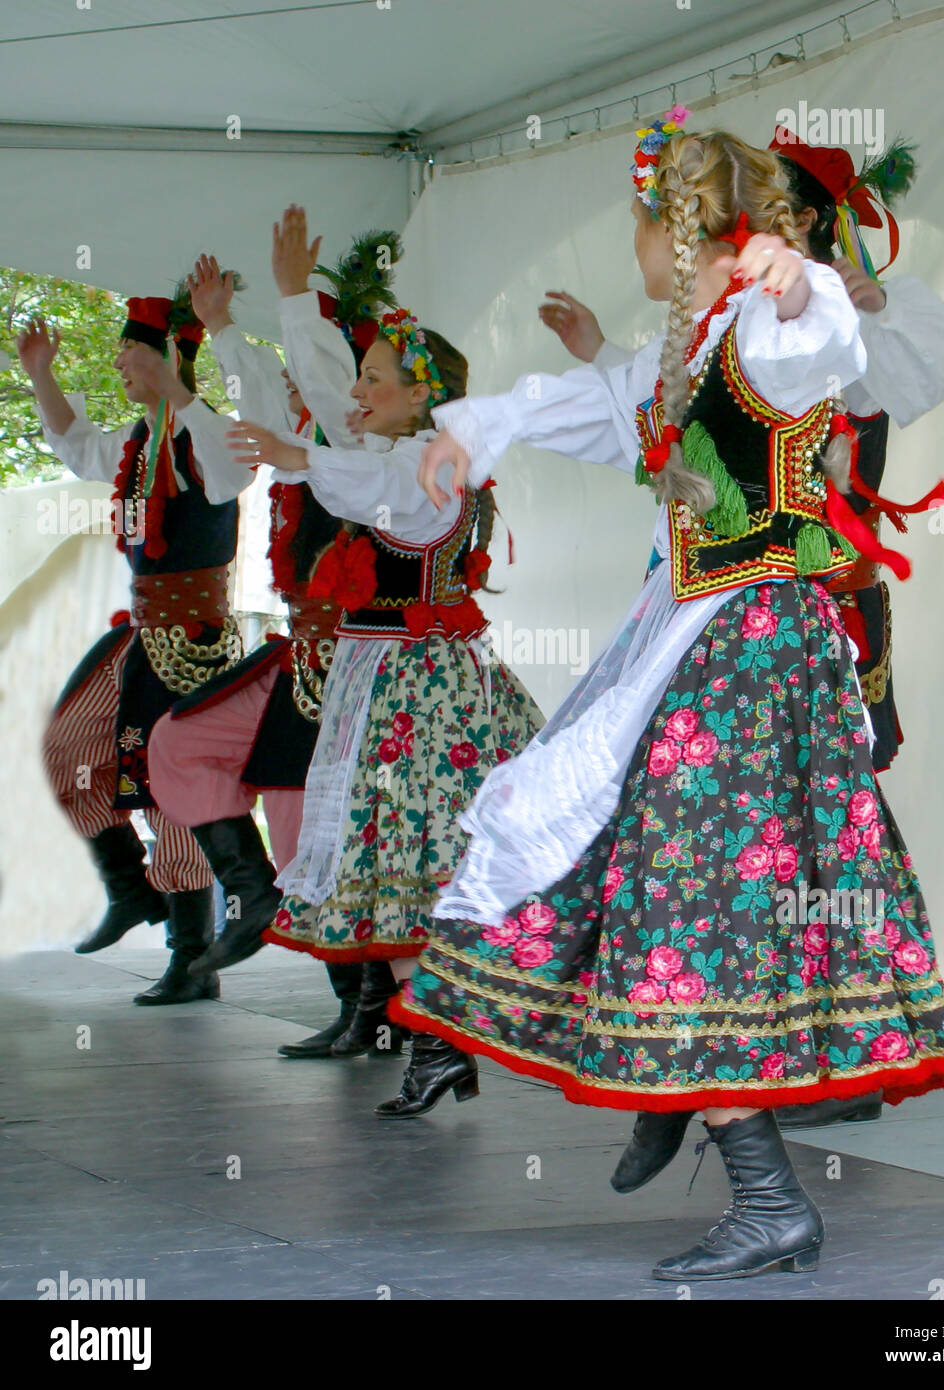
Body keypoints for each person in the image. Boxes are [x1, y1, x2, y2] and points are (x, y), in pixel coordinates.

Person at [396, 113, 944, 1280]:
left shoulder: (764, 329)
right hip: (696, 634)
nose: (633, 244)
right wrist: (475, 430)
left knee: (691, 898)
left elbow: (827, 350)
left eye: (640, 221)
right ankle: (673, 1090)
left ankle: (759, 1186)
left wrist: (800, 279)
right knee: (639, 864)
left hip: (753, 653)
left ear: (678, 228)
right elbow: (587, 407)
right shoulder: (690, 346)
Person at [538, 126, 944, 1140]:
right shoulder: (738, 318)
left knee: (819, 821)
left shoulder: (820, 318)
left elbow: (912, 365)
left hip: (796, 598)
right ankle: (714, 1048)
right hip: (713, 590)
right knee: (763, 828)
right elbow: (684, 414)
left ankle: (836, 1042)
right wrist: (601, 357)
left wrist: (852, 295)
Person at [223, 205, 544, 1113]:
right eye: (361, 374)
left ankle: (447, 1034)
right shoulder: (401, 453)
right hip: (397, 681)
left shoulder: (425, 470)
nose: (357, 392)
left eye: (376, 377)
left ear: (419, 396)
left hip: (419, 692)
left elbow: (354, 468)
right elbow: (337, 416)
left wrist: (295, 452)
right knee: (393, 864)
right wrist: (293, 301)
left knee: (407, 859)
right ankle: (433, 1040)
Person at [147, 242, 410, 1059]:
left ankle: (371, 1008)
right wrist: (222, 324)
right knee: (179, 741)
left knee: (317, 833)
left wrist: (295, 302)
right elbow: (263, 393)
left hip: (358, 672)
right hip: (303, 658)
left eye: (357, 378)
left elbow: (321, 389)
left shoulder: (362, 452)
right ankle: (255, 899)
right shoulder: (299, 438)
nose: (327, 389)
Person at [18, 293, 242, 1005]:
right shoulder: (139, 443)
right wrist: (42, 377)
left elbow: (230, 474)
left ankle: (192, 953)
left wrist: (180, 381)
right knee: (66, 748)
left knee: (173, 790)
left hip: (196, 645)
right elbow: (79, 447)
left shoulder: (209, 439)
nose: (119, 362)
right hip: (142, 634)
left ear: (169, 358)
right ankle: (129, 888)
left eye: (131, 352)